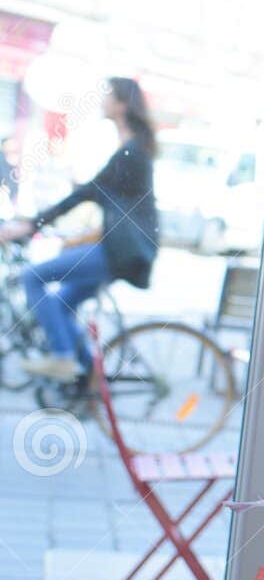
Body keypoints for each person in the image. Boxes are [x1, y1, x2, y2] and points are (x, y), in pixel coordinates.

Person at [0, 77, 160, 381]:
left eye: (108, 96)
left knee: (32, 276)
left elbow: (88, 193)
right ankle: (86, 377)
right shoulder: (133, 150)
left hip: (118, 252)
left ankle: (62, 358)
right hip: (121, 250)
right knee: (62, 302)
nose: (102, 101)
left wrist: (31, 225)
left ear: (122, 105)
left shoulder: (132, 154)